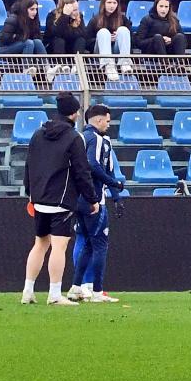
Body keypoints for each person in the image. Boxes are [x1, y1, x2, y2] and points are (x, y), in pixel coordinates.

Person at [19, 92, 97, 305]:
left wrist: (31, 193)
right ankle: (54, 294)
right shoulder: (74, 137)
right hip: (61, 200)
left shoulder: (37, 134)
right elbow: (82, 171)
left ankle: (28, 290)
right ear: (74, 113)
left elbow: (28, 165)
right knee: (59, 246)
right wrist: (92, 198)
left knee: (40, 244)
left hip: (39, 198)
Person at [67, 101, 126, 302]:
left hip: (77, 198)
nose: (109, 125)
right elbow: (97, 167)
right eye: (107, 121)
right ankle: (97, 290)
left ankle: (78, 286)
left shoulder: (78, 138)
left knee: (84, 241)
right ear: (99, 120)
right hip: (94, 199)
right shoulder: (99, 140)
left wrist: (116, 196)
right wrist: (115, 186)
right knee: (99, 244)